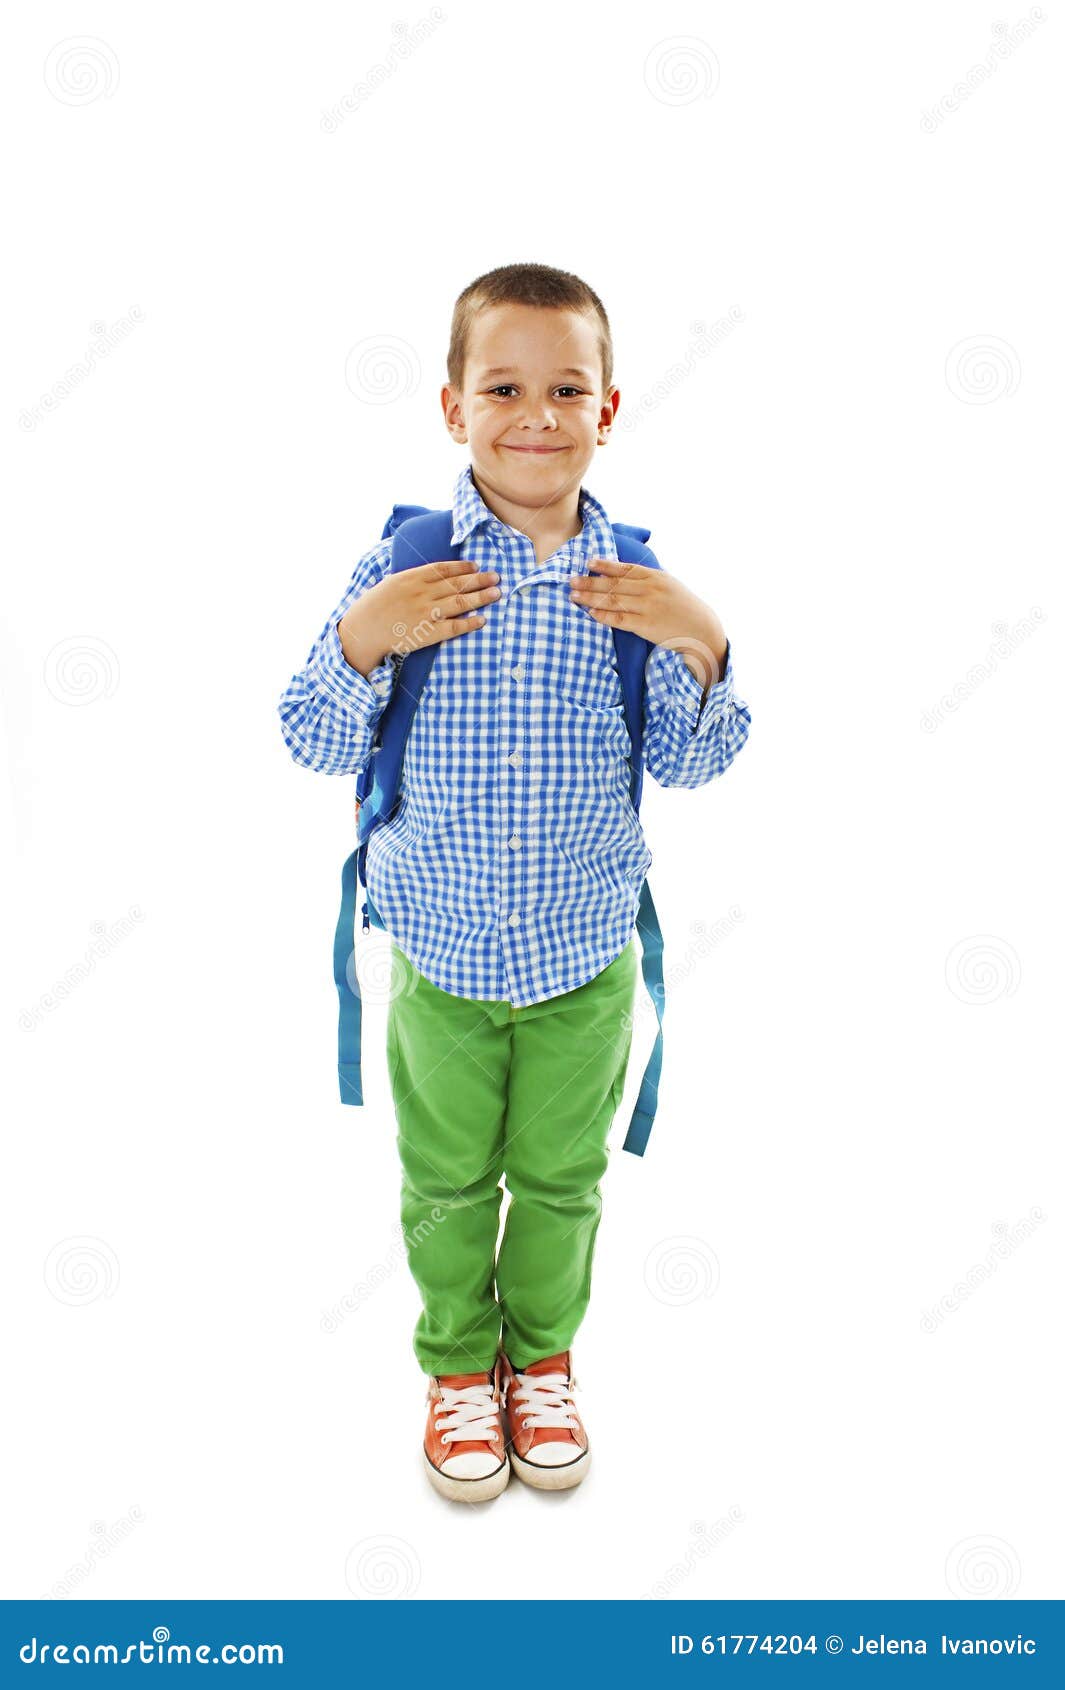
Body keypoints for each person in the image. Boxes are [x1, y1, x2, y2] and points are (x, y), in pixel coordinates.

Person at [277, 262, 752, 1502]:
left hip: (583, 957)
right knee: (444, 1179)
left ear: (607, 408)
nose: (534, 413)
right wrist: (361, 637)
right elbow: (312, 736)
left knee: (560, 1176)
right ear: (451, 409)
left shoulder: (630, 587)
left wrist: (700, 637)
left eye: (565, 388)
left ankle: (539, 1360)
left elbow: (691, 764)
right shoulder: (406, 564)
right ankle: (455, 1368)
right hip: (436, 951)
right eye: (502, 386)